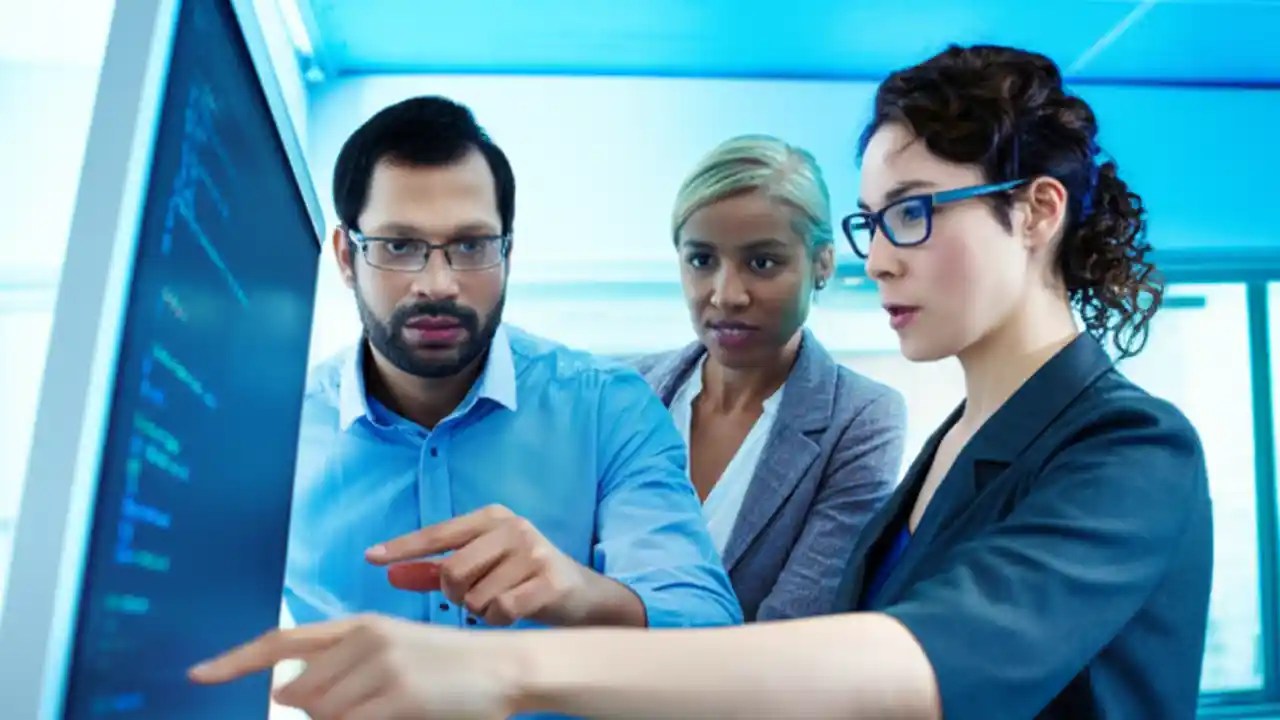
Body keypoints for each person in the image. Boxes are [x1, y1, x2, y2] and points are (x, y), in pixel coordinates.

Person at [191, 46, 1214, 720]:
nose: (877, 258)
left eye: (911, 213)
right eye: (871, 224)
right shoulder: (946, 445)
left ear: (1034, 213)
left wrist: (500, 665)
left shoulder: (1128, 450)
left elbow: (913, 663)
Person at [281, 95, 742, 637]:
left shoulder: (607, 409)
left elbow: (705, 626)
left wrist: (575, 590)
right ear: (345, 257)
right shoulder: (273, 437)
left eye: (472, 245)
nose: (437, 284)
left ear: (508, 252)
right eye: (399, 245)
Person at [631, 134, 906, 621]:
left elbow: (792, 629)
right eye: (701, 260)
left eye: (762, 263)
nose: (726, 295)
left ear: (821, 264)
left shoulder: (860, 419)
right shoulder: (627, 392)